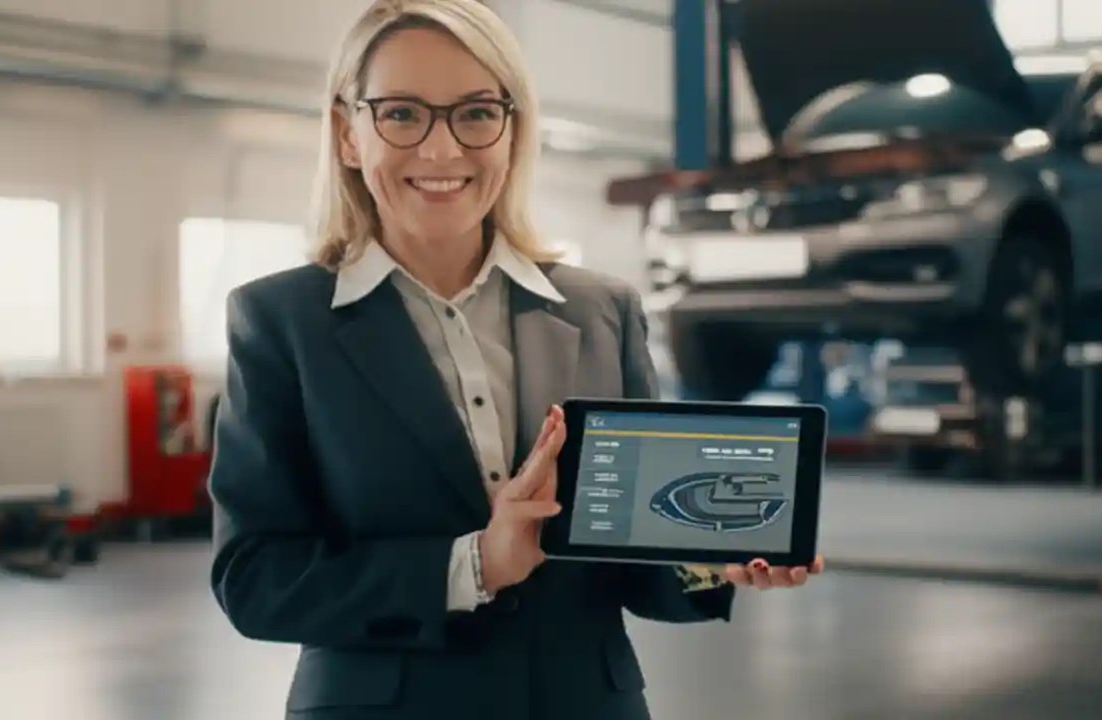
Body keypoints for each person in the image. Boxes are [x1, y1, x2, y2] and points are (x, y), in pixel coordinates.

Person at [206, 2, 824, 718]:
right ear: (348, 134)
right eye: (402, 114)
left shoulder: (601, 310)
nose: (442, 151)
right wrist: (472, 566)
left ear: (512, 131)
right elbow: (255, 578)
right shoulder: (281, 322)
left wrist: (705, 560)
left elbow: (635, 564)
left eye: (475, 113)